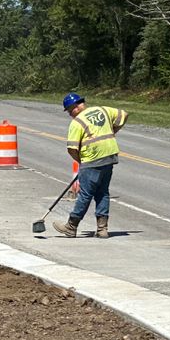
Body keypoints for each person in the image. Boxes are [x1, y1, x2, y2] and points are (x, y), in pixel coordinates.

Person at [56, 93, 128, 239]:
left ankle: (71, 226)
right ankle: (102, 229)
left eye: (70, 111)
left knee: (85, 194)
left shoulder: (78, 122)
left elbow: (71, 148)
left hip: (92, 159)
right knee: (102, 192)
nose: (70, 114)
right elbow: (123, 115)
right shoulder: (103, 110)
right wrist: (113, 131)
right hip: (109, 156)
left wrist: (81, 162)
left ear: (75, 107)